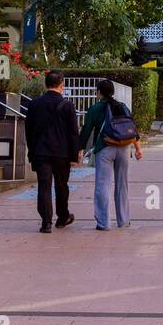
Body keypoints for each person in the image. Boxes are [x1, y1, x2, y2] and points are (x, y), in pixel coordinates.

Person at [80, 78, 143, 230]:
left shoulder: (95, 108)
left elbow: (86, 131)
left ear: (99, 92)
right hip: (124, 148)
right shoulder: (122, 106)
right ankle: (124, 220)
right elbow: (132, 128)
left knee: (103, 185)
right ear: (113, 92)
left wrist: (79, 149)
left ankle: (103, 223)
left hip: (105, 148)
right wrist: (138, 149)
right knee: (122, 185)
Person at [23, 71, 81, 233]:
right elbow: (73, 132)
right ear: (61, 85)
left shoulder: (34, 104)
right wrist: (74, 154)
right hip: (62, 154)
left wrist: (32, 152)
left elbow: (29, 130)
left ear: (45, 84)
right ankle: (62, 218)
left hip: (41, 152)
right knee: (62, 186)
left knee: (44, 187)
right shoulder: (67, 106)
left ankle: (46, 222)